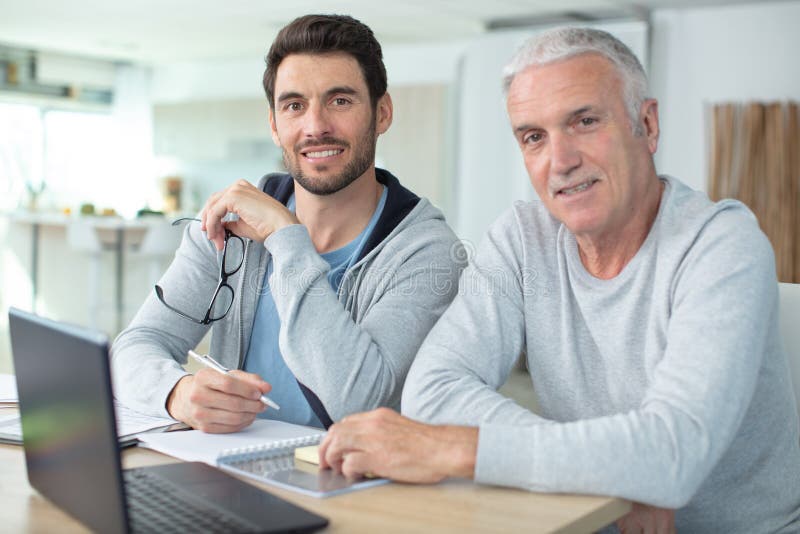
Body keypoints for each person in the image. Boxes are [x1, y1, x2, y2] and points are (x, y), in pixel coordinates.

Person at [319, 27, 800, 532]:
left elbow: (671, 453)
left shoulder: (722, 244)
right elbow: (433, 390)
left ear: (648, 124)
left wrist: (456, 448)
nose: (561, 160)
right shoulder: (524, 237)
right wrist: (613, 474)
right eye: (534, 137)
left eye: (585, 121)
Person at [111, 14, 464, 434]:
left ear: (382, 113)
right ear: (275, 126)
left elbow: (359, 403)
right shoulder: (227, 226)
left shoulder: (428, 252)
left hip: (344, 488)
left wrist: (286, 238)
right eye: (295, 106)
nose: (315, 126)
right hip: (226, 465)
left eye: (340, 101)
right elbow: (134, 346)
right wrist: (177, 393)